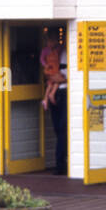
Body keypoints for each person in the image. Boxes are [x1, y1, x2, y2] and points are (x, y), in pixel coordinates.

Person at [40, 38, 68, 174]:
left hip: (64, 92)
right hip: (59, 93)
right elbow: (52, 74)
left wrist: (56, 78)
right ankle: (61, 162)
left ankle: (60, 164)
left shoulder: (65, 53)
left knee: (62, 129)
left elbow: (64, 76)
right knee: (58, 129)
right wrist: (53, 77)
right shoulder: (57, 54)